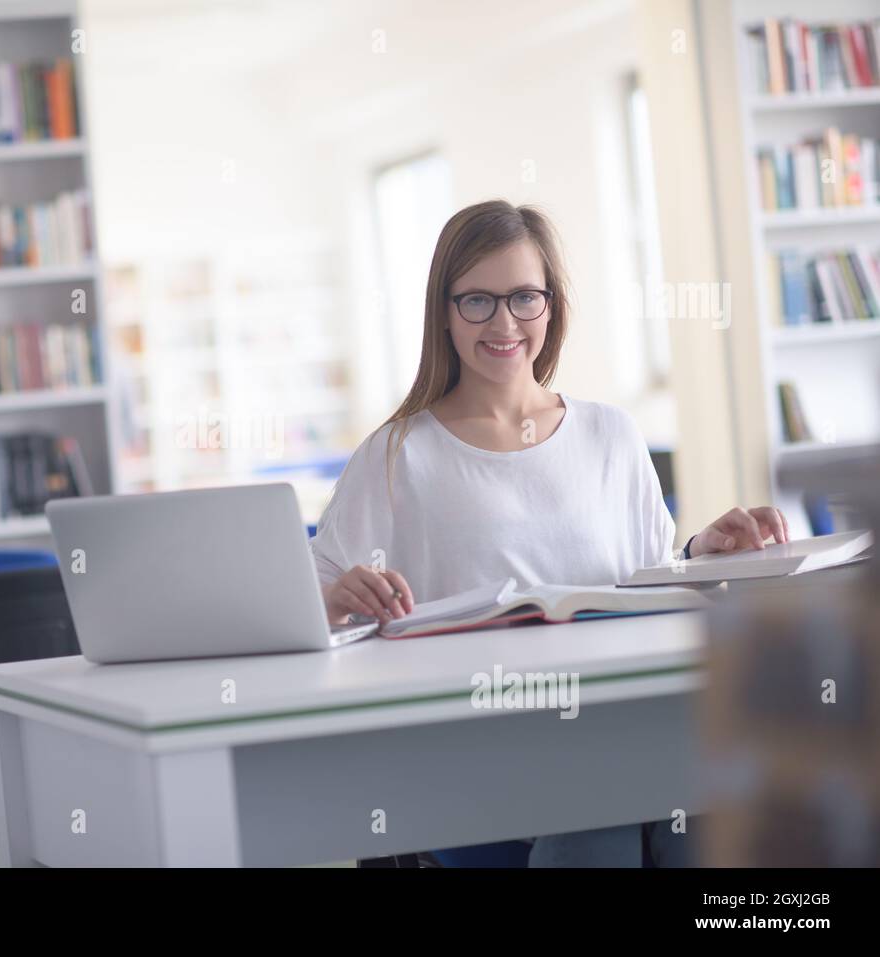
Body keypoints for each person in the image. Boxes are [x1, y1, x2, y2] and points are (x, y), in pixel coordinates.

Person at [310, 199, 787, 867]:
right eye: (477, 300)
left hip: (620, 722)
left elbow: (645, 584)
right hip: (477, 749)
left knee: (704, 815)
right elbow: (306, 603)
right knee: (603, 821)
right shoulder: (397, 455)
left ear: (551, 306)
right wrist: (335, 598)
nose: (504, 322)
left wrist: (697, 557)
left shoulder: (611, 434)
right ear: (444, 312)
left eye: (524, 297)